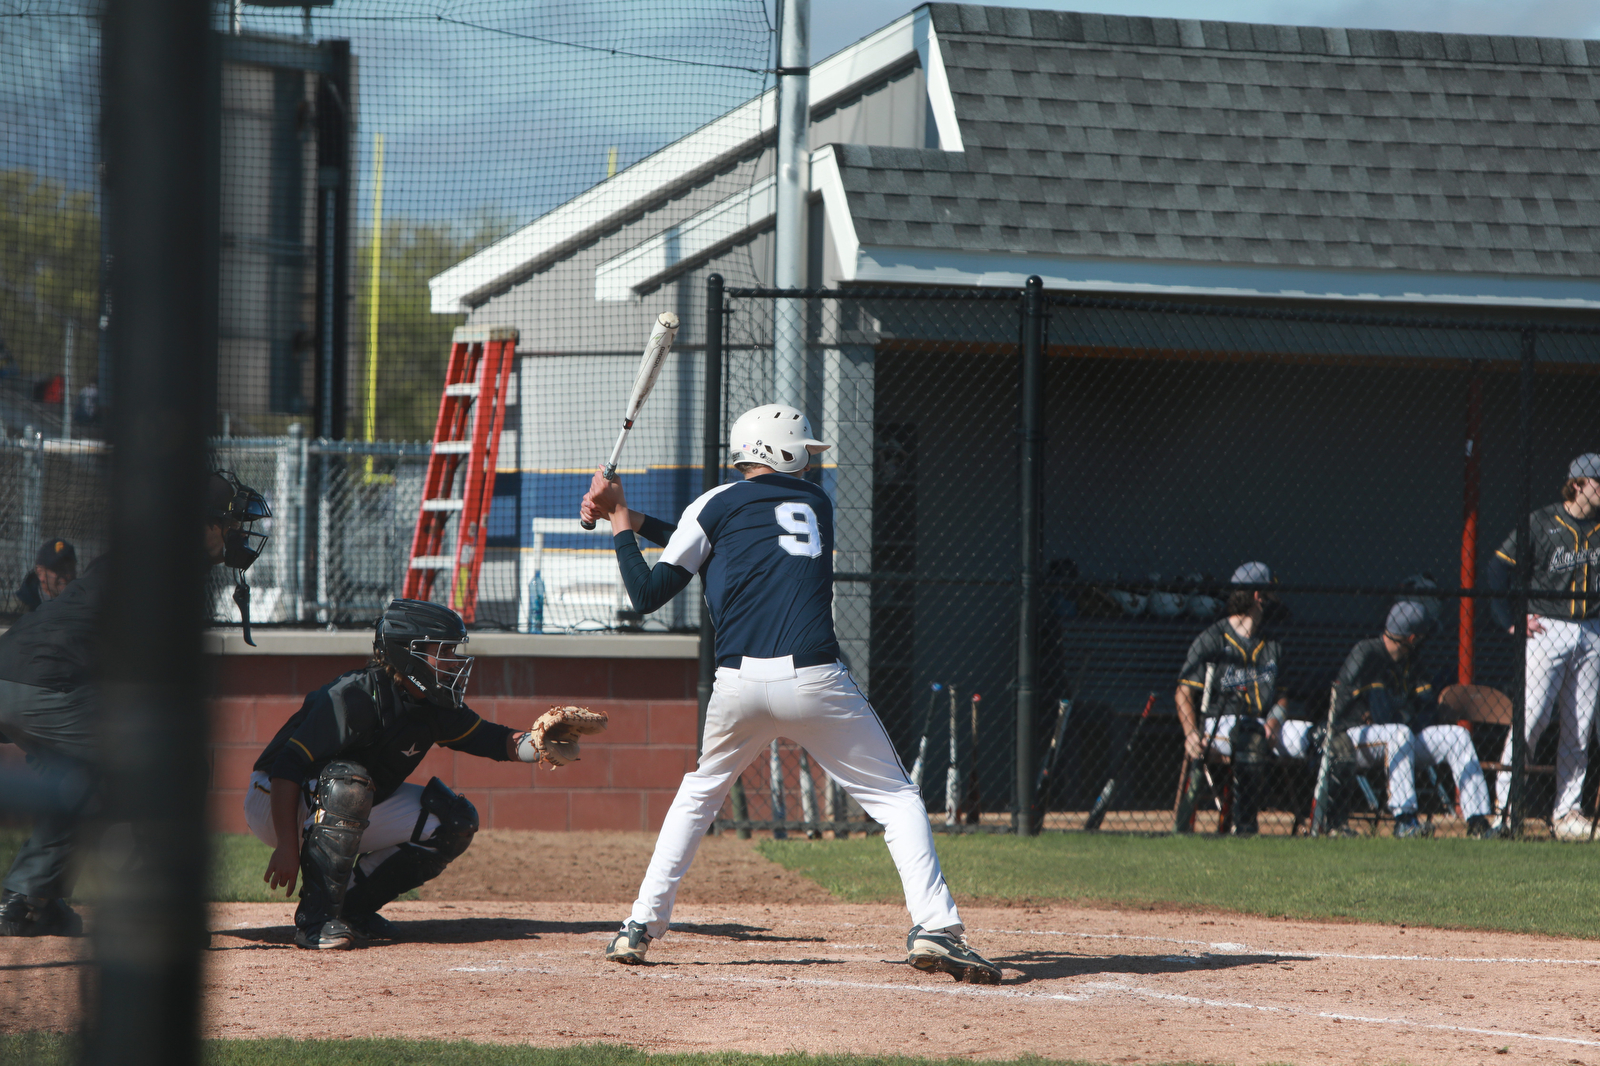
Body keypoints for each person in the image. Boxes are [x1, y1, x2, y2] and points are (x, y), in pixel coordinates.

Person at [581, 403, 1001, 984]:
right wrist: (625, 515)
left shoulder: (712, 504)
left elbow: (652, 590)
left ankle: (639, 925)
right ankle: (934, 926)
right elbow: (721, 537)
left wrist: (620, 526)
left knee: (698, 796)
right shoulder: (817, 505)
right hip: (814, 681)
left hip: (738, 687)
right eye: (803, 451)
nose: (810, 462)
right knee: (898, 800)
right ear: (782, 451)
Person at [0, 470, 269, 936]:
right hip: (48, 682)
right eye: (229, 523)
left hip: (21, 677)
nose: (239, 533)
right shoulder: (166, 564)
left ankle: (29, 901)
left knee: (84, 779)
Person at [248, 598, 572, 950]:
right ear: (407, 653)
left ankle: (351, 910)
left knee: (452, 820)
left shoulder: (434, 705)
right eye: (443, 651)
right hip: (274, 800)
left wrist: (539, 743)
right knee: (349, 783)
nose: (453, 662)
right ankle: (316, 921)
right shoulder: (354, 697)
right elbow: (287, 766)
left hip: (343, 798)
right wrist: (285, 845)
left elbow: (494, 740)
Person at [1486, 453, 1600, 840]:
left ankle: (1567, 813)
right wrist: (1510, 622)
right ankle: (1505, 811)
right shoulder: (1541, 521)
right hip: (1547, 627)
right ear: (1579, 483)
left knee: (1579, 727)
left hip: (1592, 630)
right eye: (1598, 482)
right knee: (1531, 718)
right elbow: (1497, 568)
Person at [1327, 601, 1495, 838]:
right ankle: (1405, 821)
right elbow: (1367, 710)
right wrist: (1398, 716)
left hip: (1399, 737)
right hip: (1355, 740)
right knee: (1399, 732)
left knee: (1458, 736)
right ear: (1413, 637)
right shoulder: (1367, 653)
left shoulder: (1412, 660)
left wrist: (1405, 717)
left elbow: (1427, 709)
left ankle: (1478, 823)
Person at [1175, 562, 1298, 835]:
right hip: (1221, 723)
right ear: (1258, 597)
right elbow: (1184, 691)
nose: (1273, 602)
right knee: (1249, 738)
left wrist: (1274, 723)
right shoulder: (1212, 639)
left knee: (1323, 740)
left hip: (1267, 725)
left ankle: (1325, 824)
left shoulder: (1273, 644)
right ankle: (1244, 826)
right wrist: (1191, 733)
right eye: (1269, 595)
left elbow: (1282, 698)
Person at [15, 538, 77, 611]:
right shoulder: (17, 609)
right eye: (58, 569)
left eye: (71, 568)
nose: (67, 575)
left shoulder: (81, 605)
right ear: (40, 573)